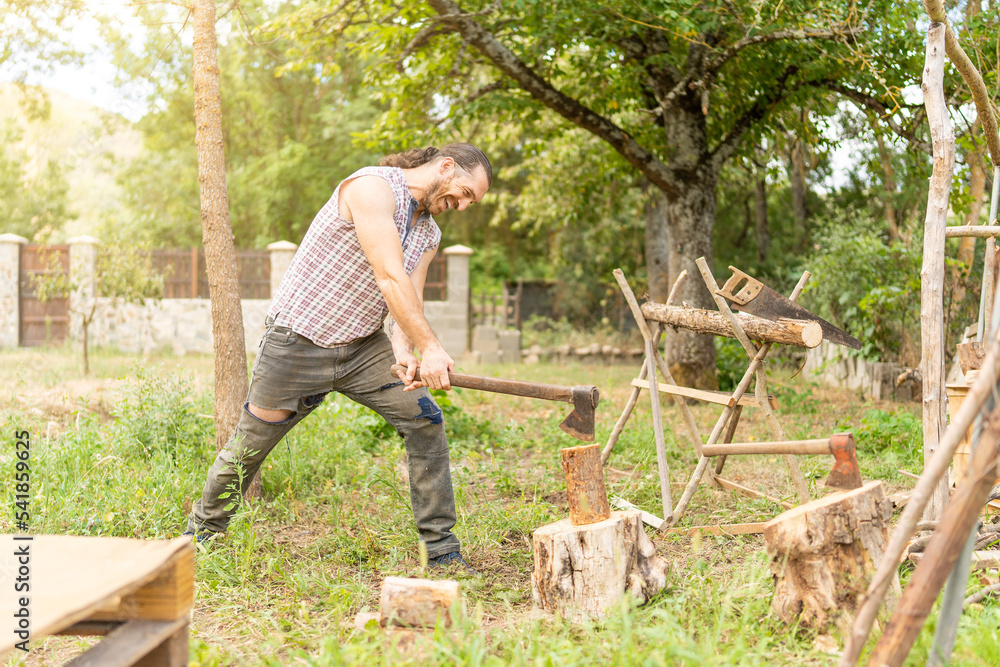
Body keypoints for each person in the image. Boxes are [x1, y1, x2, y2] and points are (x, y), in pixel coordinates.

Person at [184, 143, 493, 572]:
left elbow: (410, 301)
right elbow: (388, 275)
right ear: (445, 166)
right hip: (298, 343)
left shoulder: (428, 233)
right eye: (464, 192)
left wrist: (406, 351)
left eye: (470, 203)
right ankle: (198, 538)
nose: (462, 205)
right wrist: (433, 348)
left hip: (364, 351)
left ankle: (441, 552)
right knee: (250, 444)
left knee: (425, 421)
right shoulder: (371, 189)